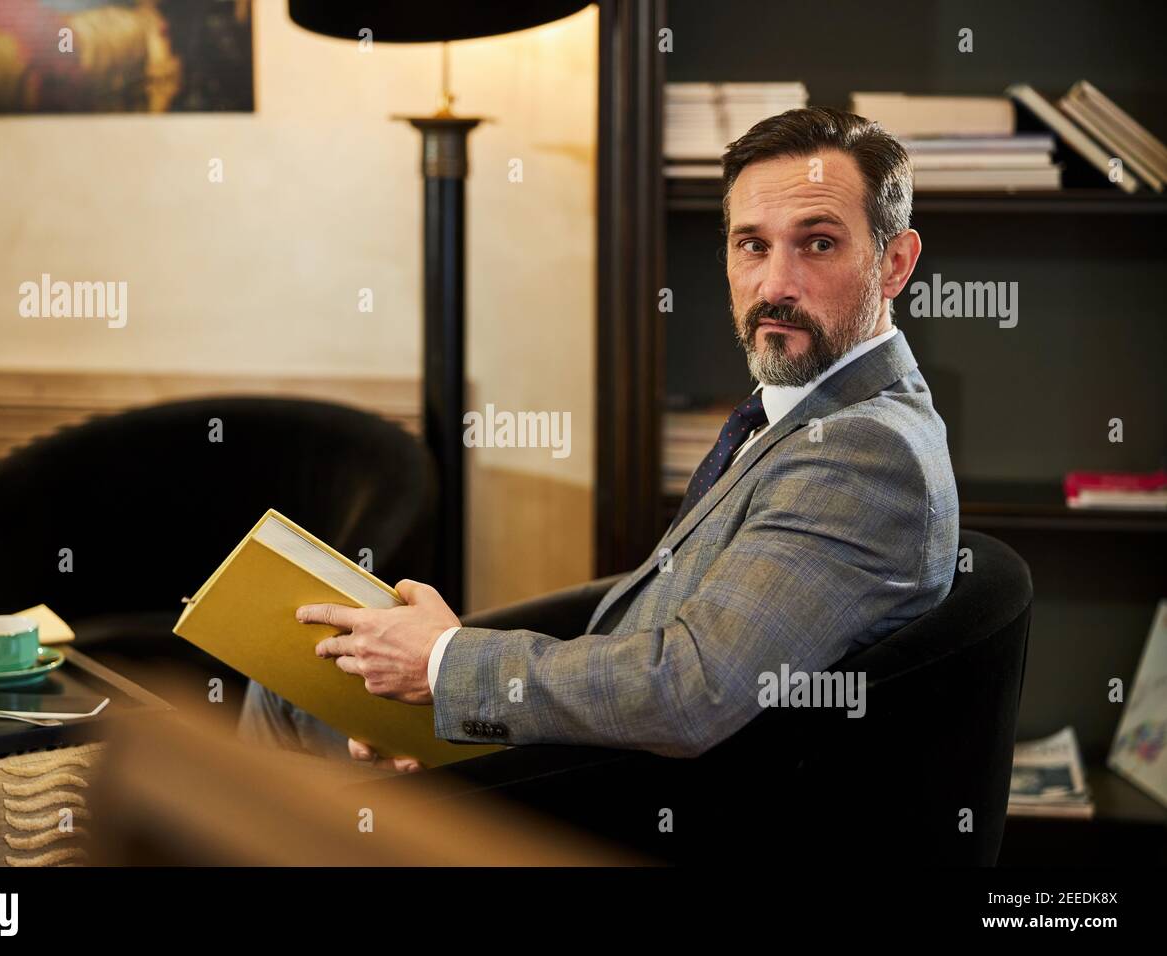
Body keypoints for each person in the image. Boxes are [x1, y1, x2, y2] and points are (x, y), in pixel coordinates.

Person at [239, 106, 958, 775]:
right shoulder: (810, 409)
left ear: (894, 262)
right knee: (309, 677)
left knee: (288, 696)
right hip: (596, 741)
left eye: (819, 243)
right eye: (751, 245)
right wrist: (446, 685)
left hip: (612, 795)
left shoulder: (864, 454)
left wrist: (442, 665)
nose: (775, 283)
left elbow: (689, 692)